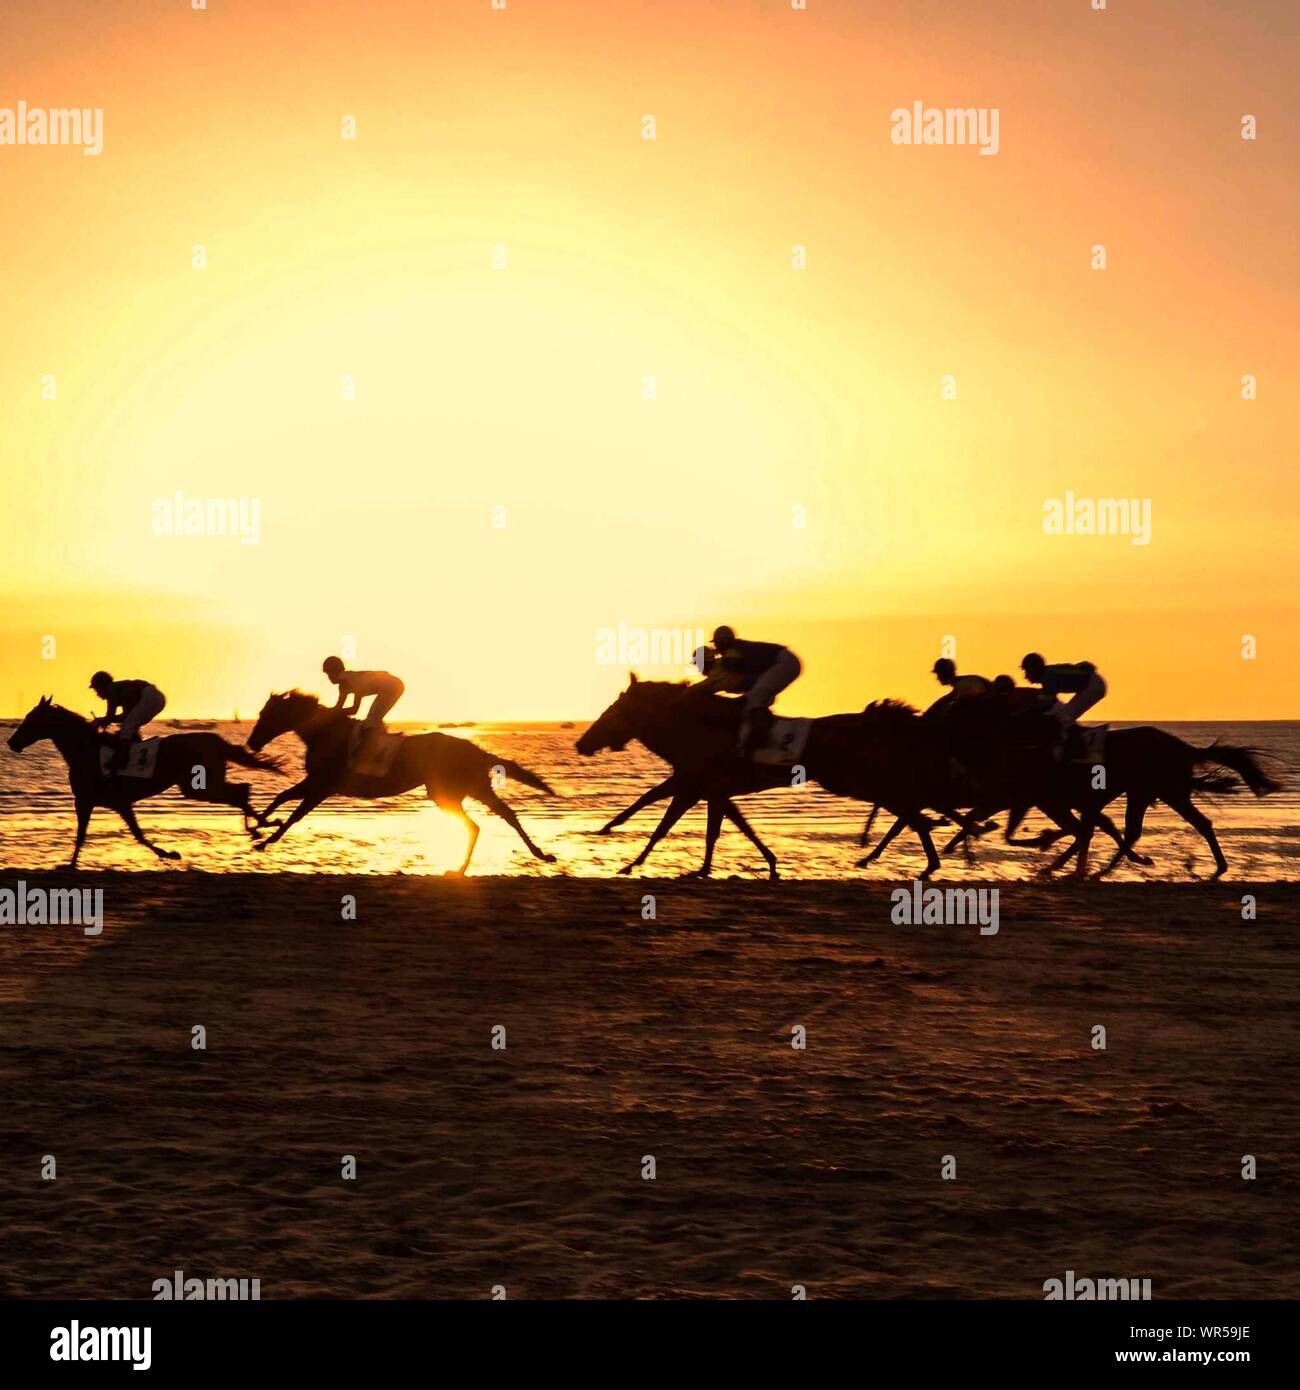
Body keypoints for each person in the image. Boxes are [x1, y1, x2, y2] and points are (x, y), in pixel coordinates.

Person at [695, 625, 802, 753]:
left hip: (785, 662)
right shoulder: (732, 654)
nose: (698, 669)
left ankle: (760, 740)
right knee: (755, 698)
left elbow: (706, 686)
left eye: (698, 664)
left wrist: (682, 693)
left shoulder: (729, 657)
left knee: (753, 699)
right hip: (784, 661)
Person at [1020, 652, 1107, 756]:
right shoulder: (1048, 674)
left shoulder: (1049, 678)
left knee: (1064, 716)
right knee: (1064, 716)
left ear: (1035, 670)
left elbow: (1044, 705)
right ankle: (1078, 738)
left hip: (1094, 686)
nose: (1025, 676)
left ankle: (1075, 745)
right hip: (1092, 683)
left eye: (1027, 671)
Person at [89, 671, 167, 772]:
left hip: (149, 696)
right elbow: (122, 716)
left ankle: (122, 760)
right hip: (156, 697)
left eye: (96, 689)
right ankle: (134, 751)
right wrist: (103, 720)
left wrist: (100, 721)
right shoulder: (117, 689)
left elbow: (111, 716)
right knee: (130, 725)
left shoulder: (111, 690)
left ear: (102, 686)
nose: (97, 694)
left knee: (128, 727)